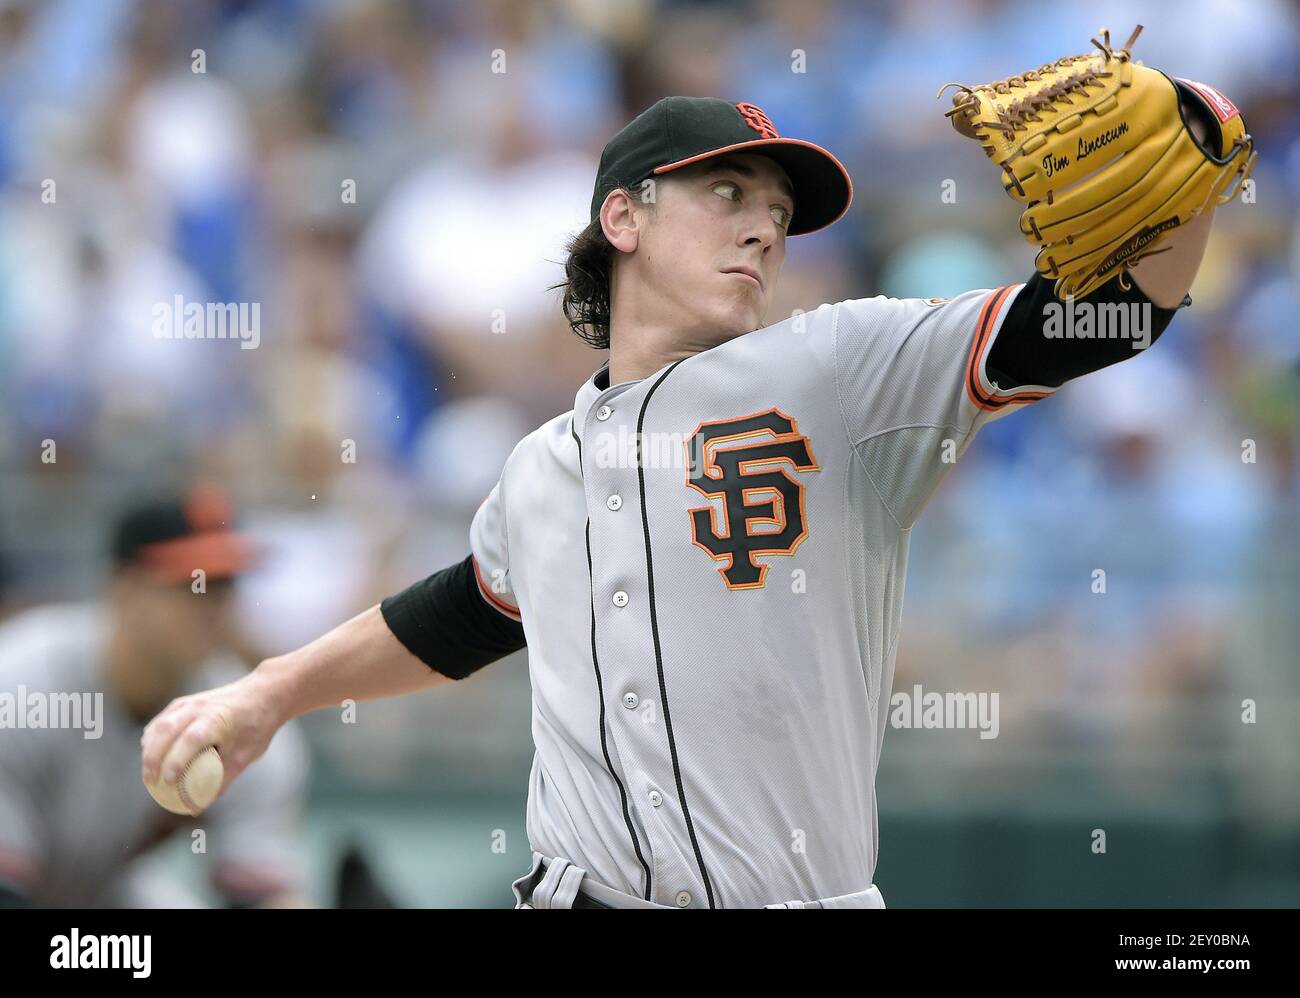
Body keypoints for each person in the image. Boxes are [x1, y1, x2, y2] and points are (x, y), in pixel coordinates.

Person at [141, 96, 1226, 909]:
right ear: (623, 214)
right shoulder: (540, 465)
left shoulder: (839, 371)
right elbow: (458, 618)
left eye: (777, 210)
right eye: (728, 194)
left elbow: (1103, 318)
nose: (763, 226)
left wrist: (1198, 160)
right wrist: (268, 694)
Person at [0, 488, 308, 907]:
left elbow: (261, 896)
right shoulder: (21, 686)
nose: (214, 606)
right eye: (193, 585)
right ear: (122, 588)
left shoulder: (244, 717)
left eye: (224, 586)